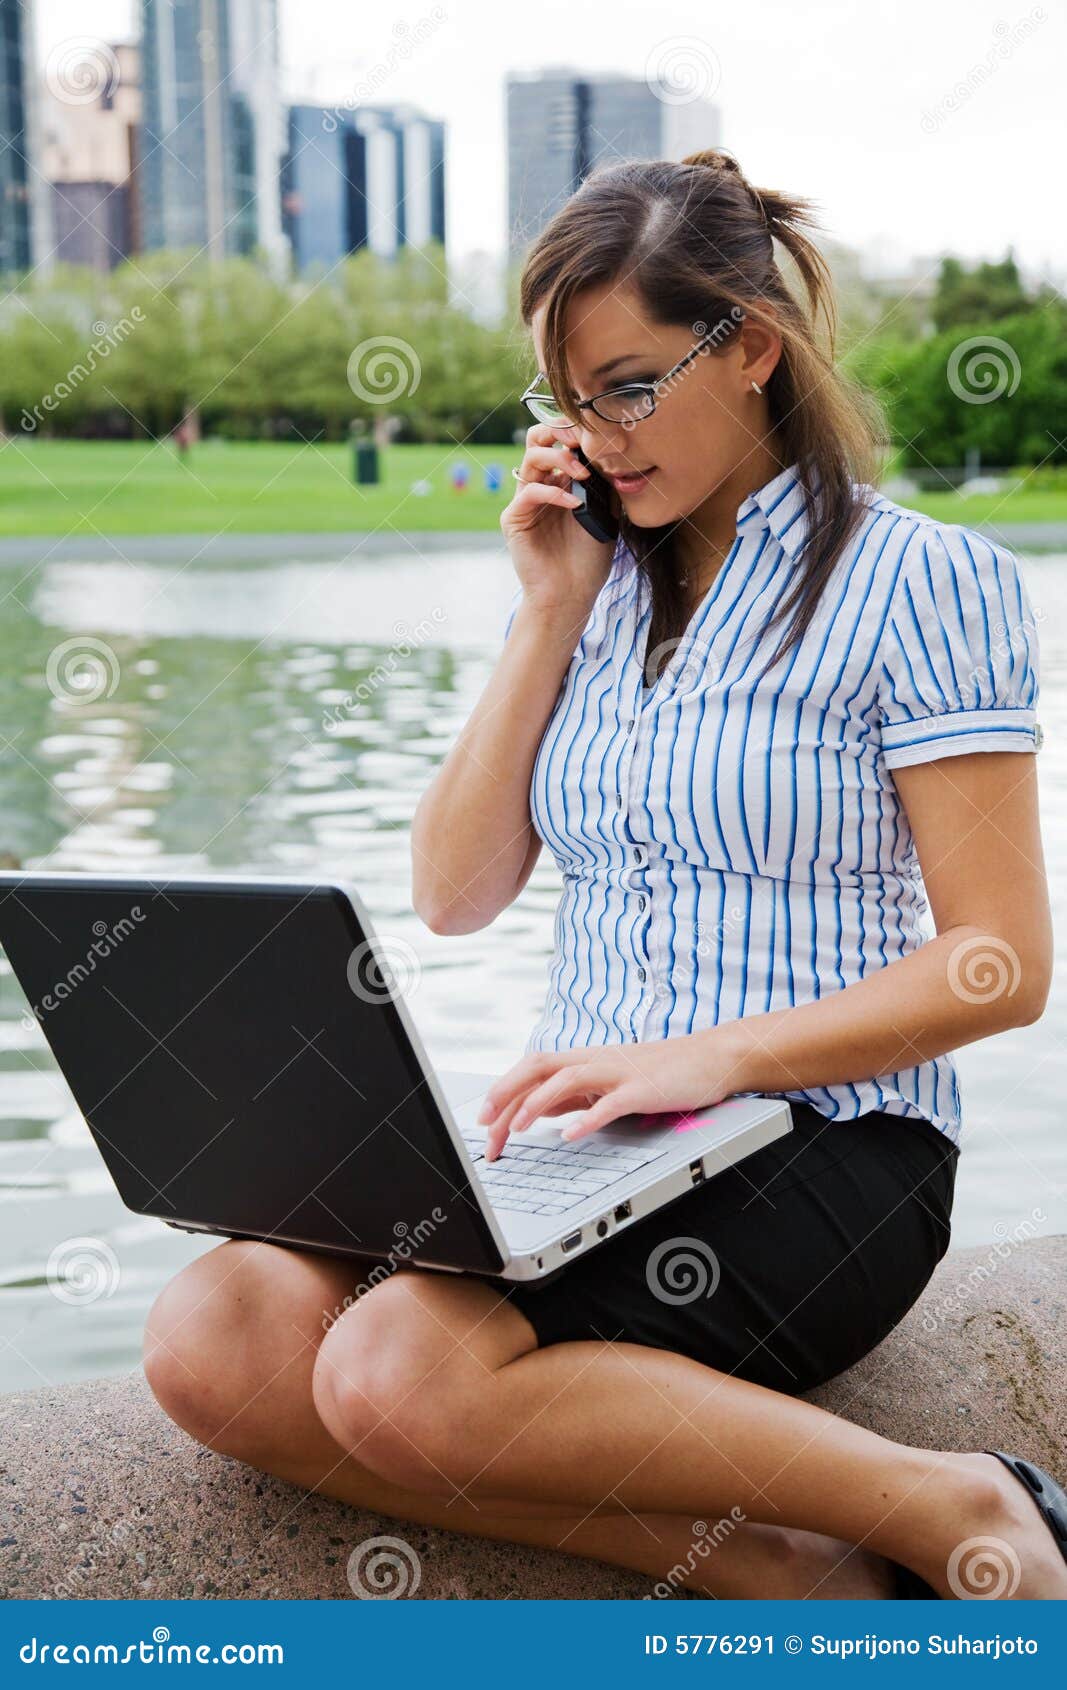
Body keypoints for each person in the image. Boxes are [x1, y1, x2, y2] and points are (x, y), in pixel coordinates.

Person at [143, 150, 1065, 1600]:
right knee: (212, 1339)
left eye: (630, 386)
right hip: (588, 1142)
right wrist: (548, 614)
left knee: (397, 1372)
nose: (596, 436)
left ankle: (964, 1499)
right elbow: (453, 895)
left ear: (752, 347)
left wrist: (704, 1055)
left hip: (825, 1143)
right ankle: (781, 1570)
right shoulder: (591, 584)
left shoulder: (919, 581)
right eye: (567, 398)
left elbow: (1000, 964)